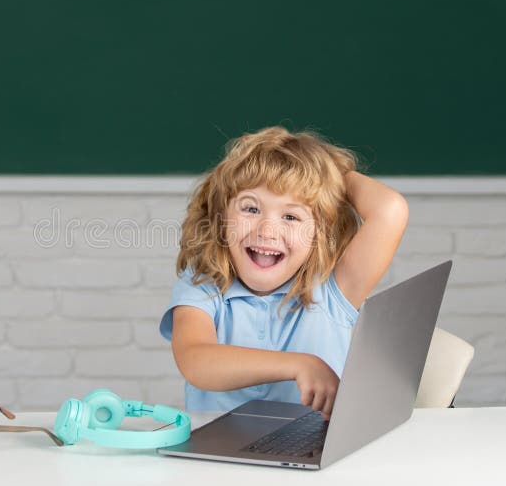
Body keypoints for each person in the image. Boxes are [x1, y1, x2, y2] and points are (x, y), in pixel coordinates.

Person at [158, 126, 408, 417]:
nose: (267, 231)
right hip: (220, 458)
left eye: (291, 216)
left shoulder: (333, 290)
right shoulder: (204, 285)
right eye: (250, 209)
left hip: (316, 454)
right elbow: (195, 361)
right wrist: (300, 364)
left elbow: (390, 208)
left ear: (319, 232)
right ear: (220, 218)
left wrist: (326, 172)